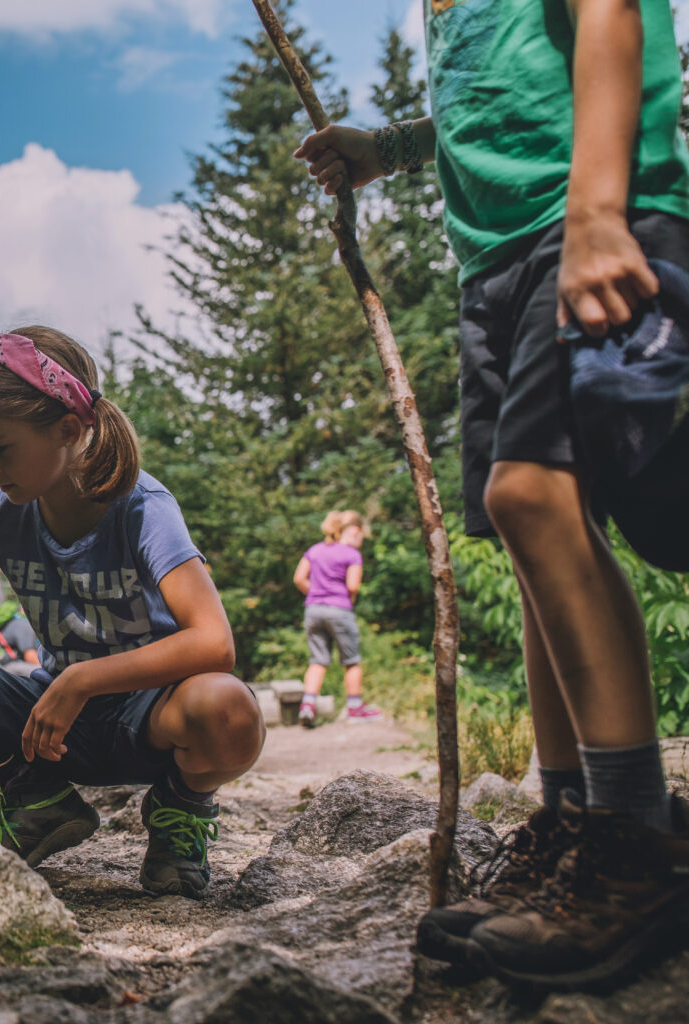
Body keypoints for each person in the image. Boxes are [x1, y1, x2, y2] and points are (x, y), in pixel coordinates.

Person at [294, 0, 689, 990]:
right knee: (539, 531)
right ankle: (568, 828)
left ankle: (634, 841)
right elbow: (492, 96)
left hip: (595, 218)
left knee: (530, 495)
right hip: (494, 262)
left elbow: (610, 15)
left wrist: (598, 213)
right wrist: (387, 147)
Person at [0, 326, 265, 898]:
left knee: (229, 709)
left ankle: (181, 808)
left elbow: (213, 643)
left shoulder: (142, 507)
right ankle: (37, 798)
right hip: (48, 725)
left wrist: (83, 678)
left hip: (148, 718)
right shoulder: (0, 515)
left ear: (70, 429)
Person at [292, 510, 381, 727]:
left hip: (313, 610)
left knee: (317, 660)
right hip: (339, 609)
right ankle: (354, 707)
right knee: (351, 660)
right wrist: (344, 599)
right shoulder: (352, 554)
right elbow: (352, 585)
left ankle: (307, 705)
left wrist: (316, 594)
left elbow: (298, 578)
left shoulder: (315, 550)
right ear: (355, 531)